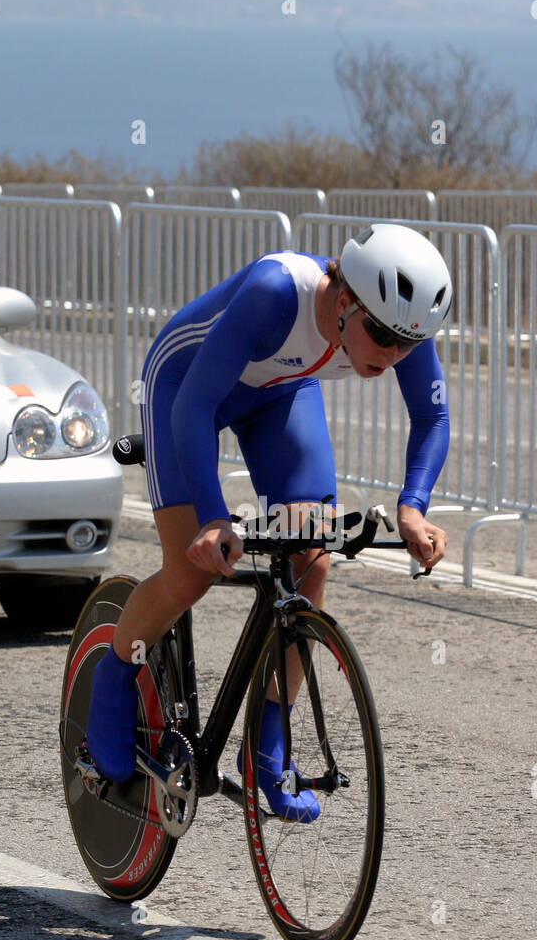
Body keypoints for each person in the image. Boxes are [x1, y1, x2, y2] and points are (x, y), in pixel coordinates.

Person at [85, 222, 452, 821]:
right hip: (187, 388)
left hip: (279, 392)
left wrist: (413, 506)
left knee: (313, 558)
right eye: (380, 337)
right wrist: (210, 520)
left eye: (406, 345)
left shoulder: (399, 322)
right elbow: (195, 405)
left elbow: (430, 419)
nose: (391, 355)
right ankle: (114, 674)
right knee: (190, 575)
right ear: (343, 300)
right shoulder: (275, 290)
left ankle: (266, 748)